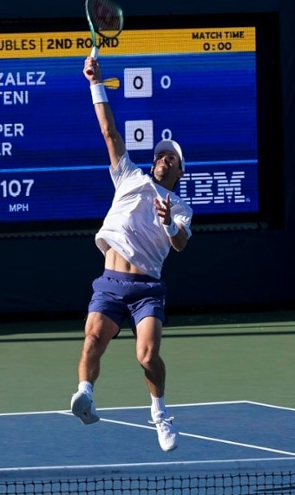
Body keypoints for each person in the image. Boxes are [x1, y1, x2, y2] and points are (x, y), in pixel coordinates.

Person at [70, 57, 193, 452]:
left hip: (146, 290)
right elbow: (108, 130)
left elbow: (180, 243)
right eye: (160, 155)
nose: (163, 159)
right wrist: (95, 82)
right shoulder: (128, 175)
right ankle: (85, 395)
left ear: (179, 171)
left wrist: (169, 222)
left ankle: (160, 415)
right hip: (110, 282)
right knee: (92, 339)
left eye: (171, 158)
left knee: (147, 356)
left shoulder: (180, 206)